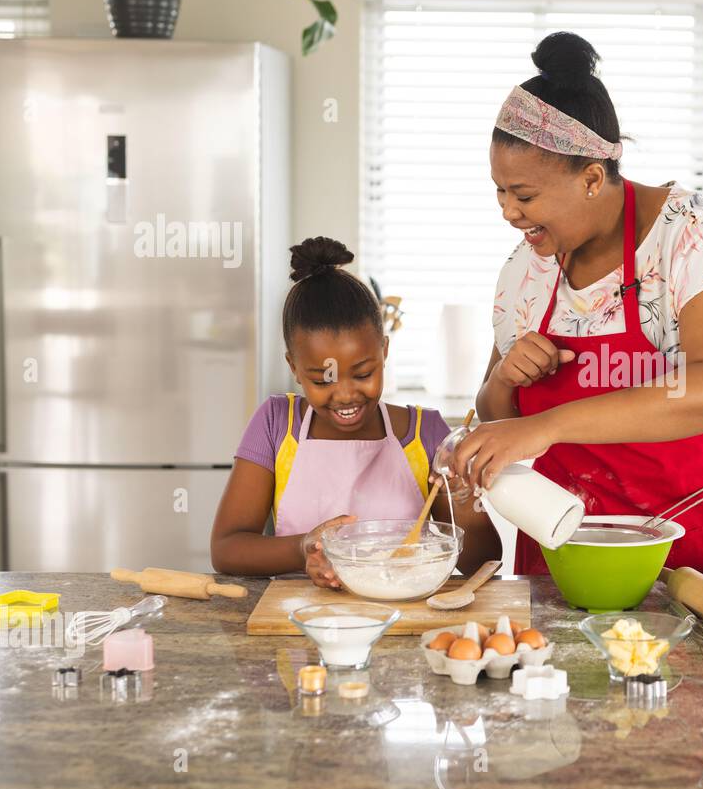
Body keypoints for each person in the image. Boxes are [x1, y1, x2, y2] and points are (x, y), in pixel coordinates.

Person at [453, 32, 703, 577]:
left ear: (593, 178)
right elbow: (503, 418)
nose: (509, 213)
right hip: (578, 548)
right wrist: (502, 383)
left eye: (523, 196)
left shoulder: (689, 233)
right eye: (499, 191)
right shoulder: (527, 267)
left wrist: (548, 425)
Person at [210, 236, 500, 586]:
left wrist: (463, 500)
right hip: (301, 624)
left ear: (385, 351)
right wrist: (303, 550)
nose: (345, 394)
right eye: (322, 380)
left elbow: (483, 562)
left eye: (363, 374)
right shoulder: (276, 424)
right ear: (294, 367)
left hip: (405, 621)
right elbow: (227, 548)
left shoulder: (428, 434)